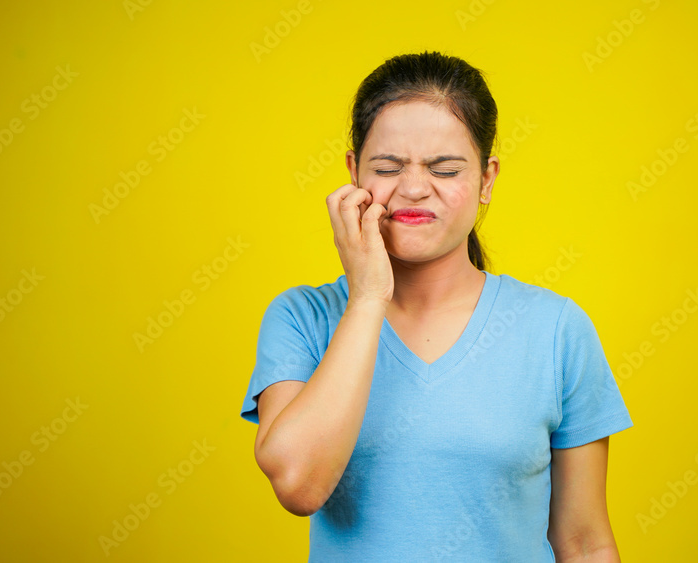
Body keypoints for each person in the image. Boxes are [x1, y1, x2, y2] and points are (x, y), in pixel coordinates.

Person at [239, 50, 633, 562]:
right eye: (387, 167)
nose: (414, 188)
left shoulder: (556, 330)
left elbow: (583, 543)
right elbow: (298, 484)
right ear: (354, 172)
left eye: (445, 169)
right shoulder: (301, 319)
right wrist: (366, 299)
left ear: (487, 179)